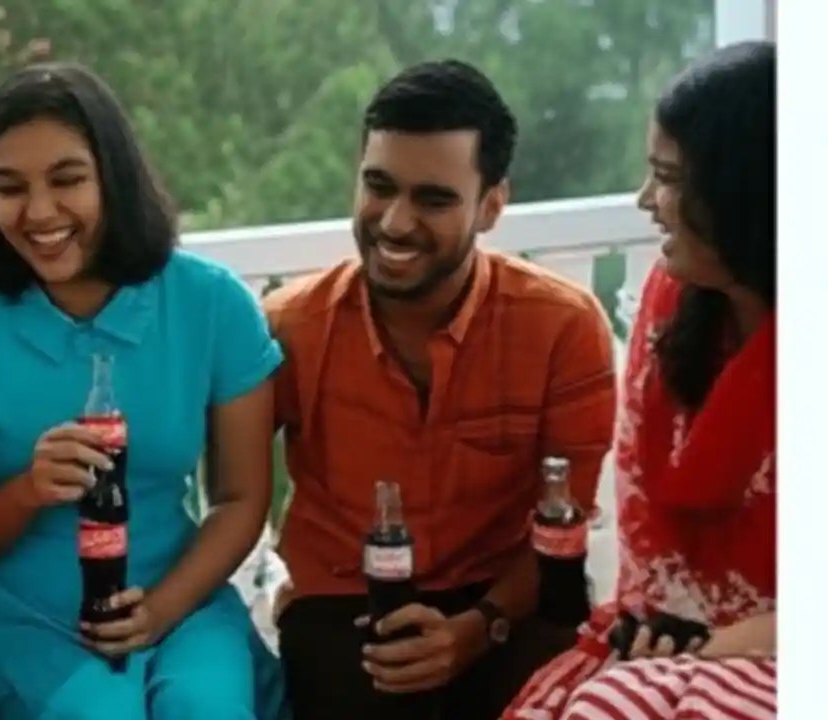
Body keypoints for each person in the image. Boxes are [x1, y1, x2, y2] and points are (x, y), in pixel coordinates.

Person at [0, 63, 287, 720]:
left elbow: (241, 497)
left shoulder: (211, 303)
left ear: (113, 177)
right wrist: (27, 490)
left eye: (67, 180)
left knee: (207, 709)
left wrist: (161, 609)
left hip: (178, 602)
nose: (39, 212)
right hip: (19, 623)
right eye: (10, 188)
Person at [262, 59, 619, 720]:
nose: (395, 223)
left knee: (568, 688)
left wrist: (479, 627)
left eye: (433, 198)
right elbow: (224, 490)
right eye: (378, 186)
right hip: (348, 604)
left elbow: (562, 527)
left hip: (507, 597)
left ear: (492, 205)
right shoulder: (290, 329)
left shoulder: (563, 328)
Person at [502, 40, 776, 720]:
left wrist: (710, 652)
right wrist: (667, 649)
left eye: (670, 178)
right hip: (657, 635)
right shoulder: (672, 302)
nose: (646, 200)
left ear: (746, 191)